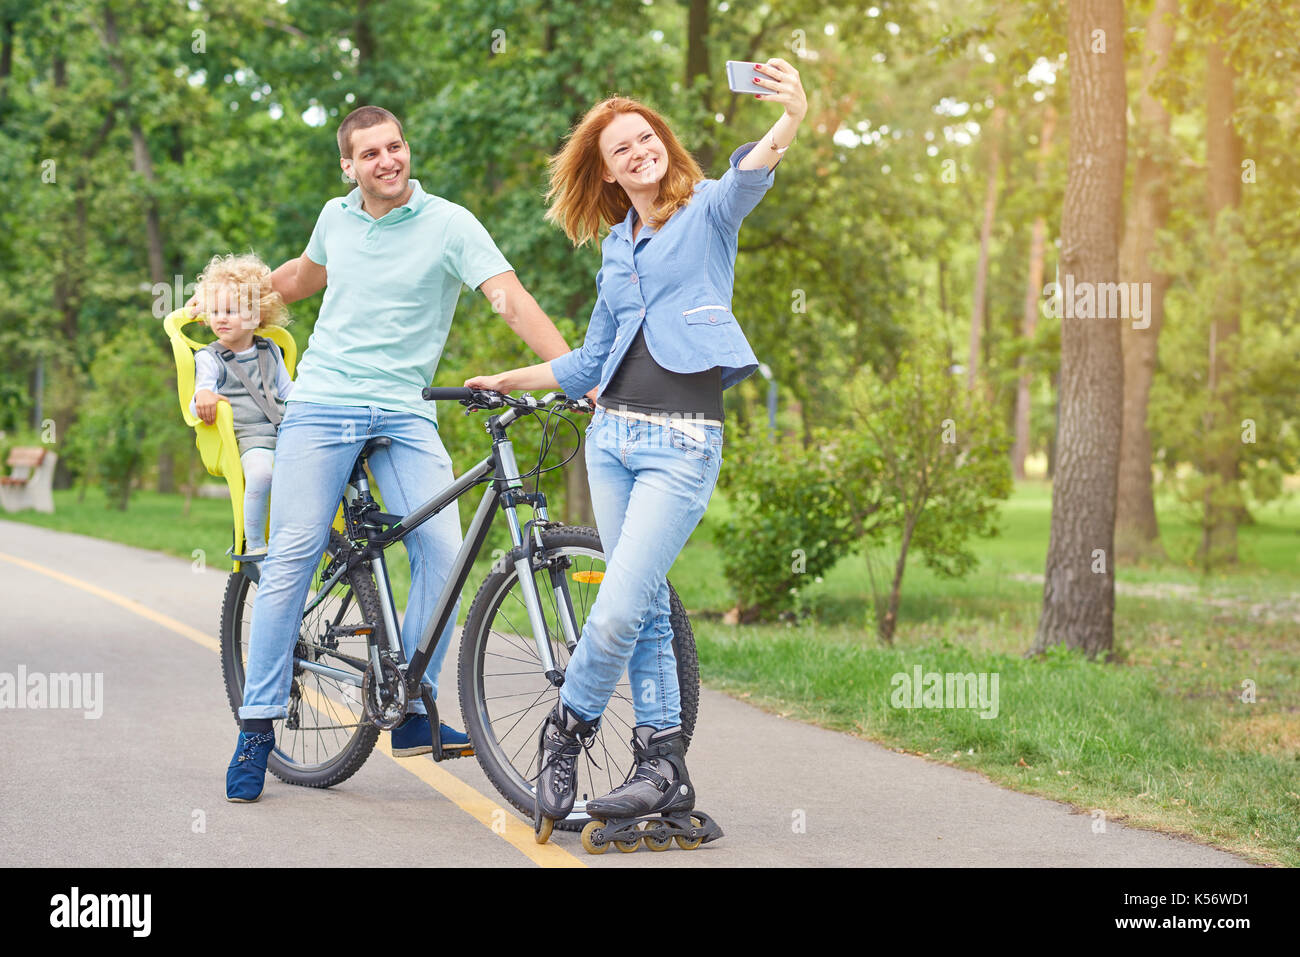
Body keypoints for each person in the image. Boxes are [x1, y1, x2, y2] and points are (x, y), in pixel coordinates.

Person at [465, 59, 807, 841]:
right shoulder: (617, 252)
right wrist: (506, 377)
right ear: (609, 173)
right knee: (643, 606)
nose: (638, 152)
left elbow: (756, 166)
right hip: (611, 439)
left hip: (682, 442)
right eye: (621, 150)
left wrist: (790, 116)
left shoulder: (710, 211)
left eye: (645, 139)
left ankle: (566, 727)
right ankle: (660, 762)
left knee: (617, 605)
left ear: (663, 146)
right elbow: (588, 362)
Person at [220, 105, 576, 803]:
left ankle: (414, 703)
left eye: (396, 146)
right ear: (349, 167)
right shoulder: (336, 215)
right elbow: (303, 275)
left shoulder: (451, 223)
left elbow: (507, 298)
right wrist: (240, 299)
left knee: (443, 551)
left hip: (406, 409)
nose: (388, 160)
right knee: (293, 550)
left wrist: (572, 368)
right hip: (323, 402)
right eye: (371, 153)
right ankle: (257, 726)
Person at [189, 253, 294, 558]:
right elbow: (198, 402)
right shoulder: (209, 358)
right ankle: (254, 545)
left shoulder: (270, 349)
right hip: (250, 437)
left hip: (285, 429)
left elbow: (288, 391)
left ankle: (329, 541)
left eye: (231, 311)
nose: (221, 318)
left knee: (329, 463)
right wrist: (203, 398)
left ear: (256, 315)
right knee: (261, 474)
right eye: (216, 311)